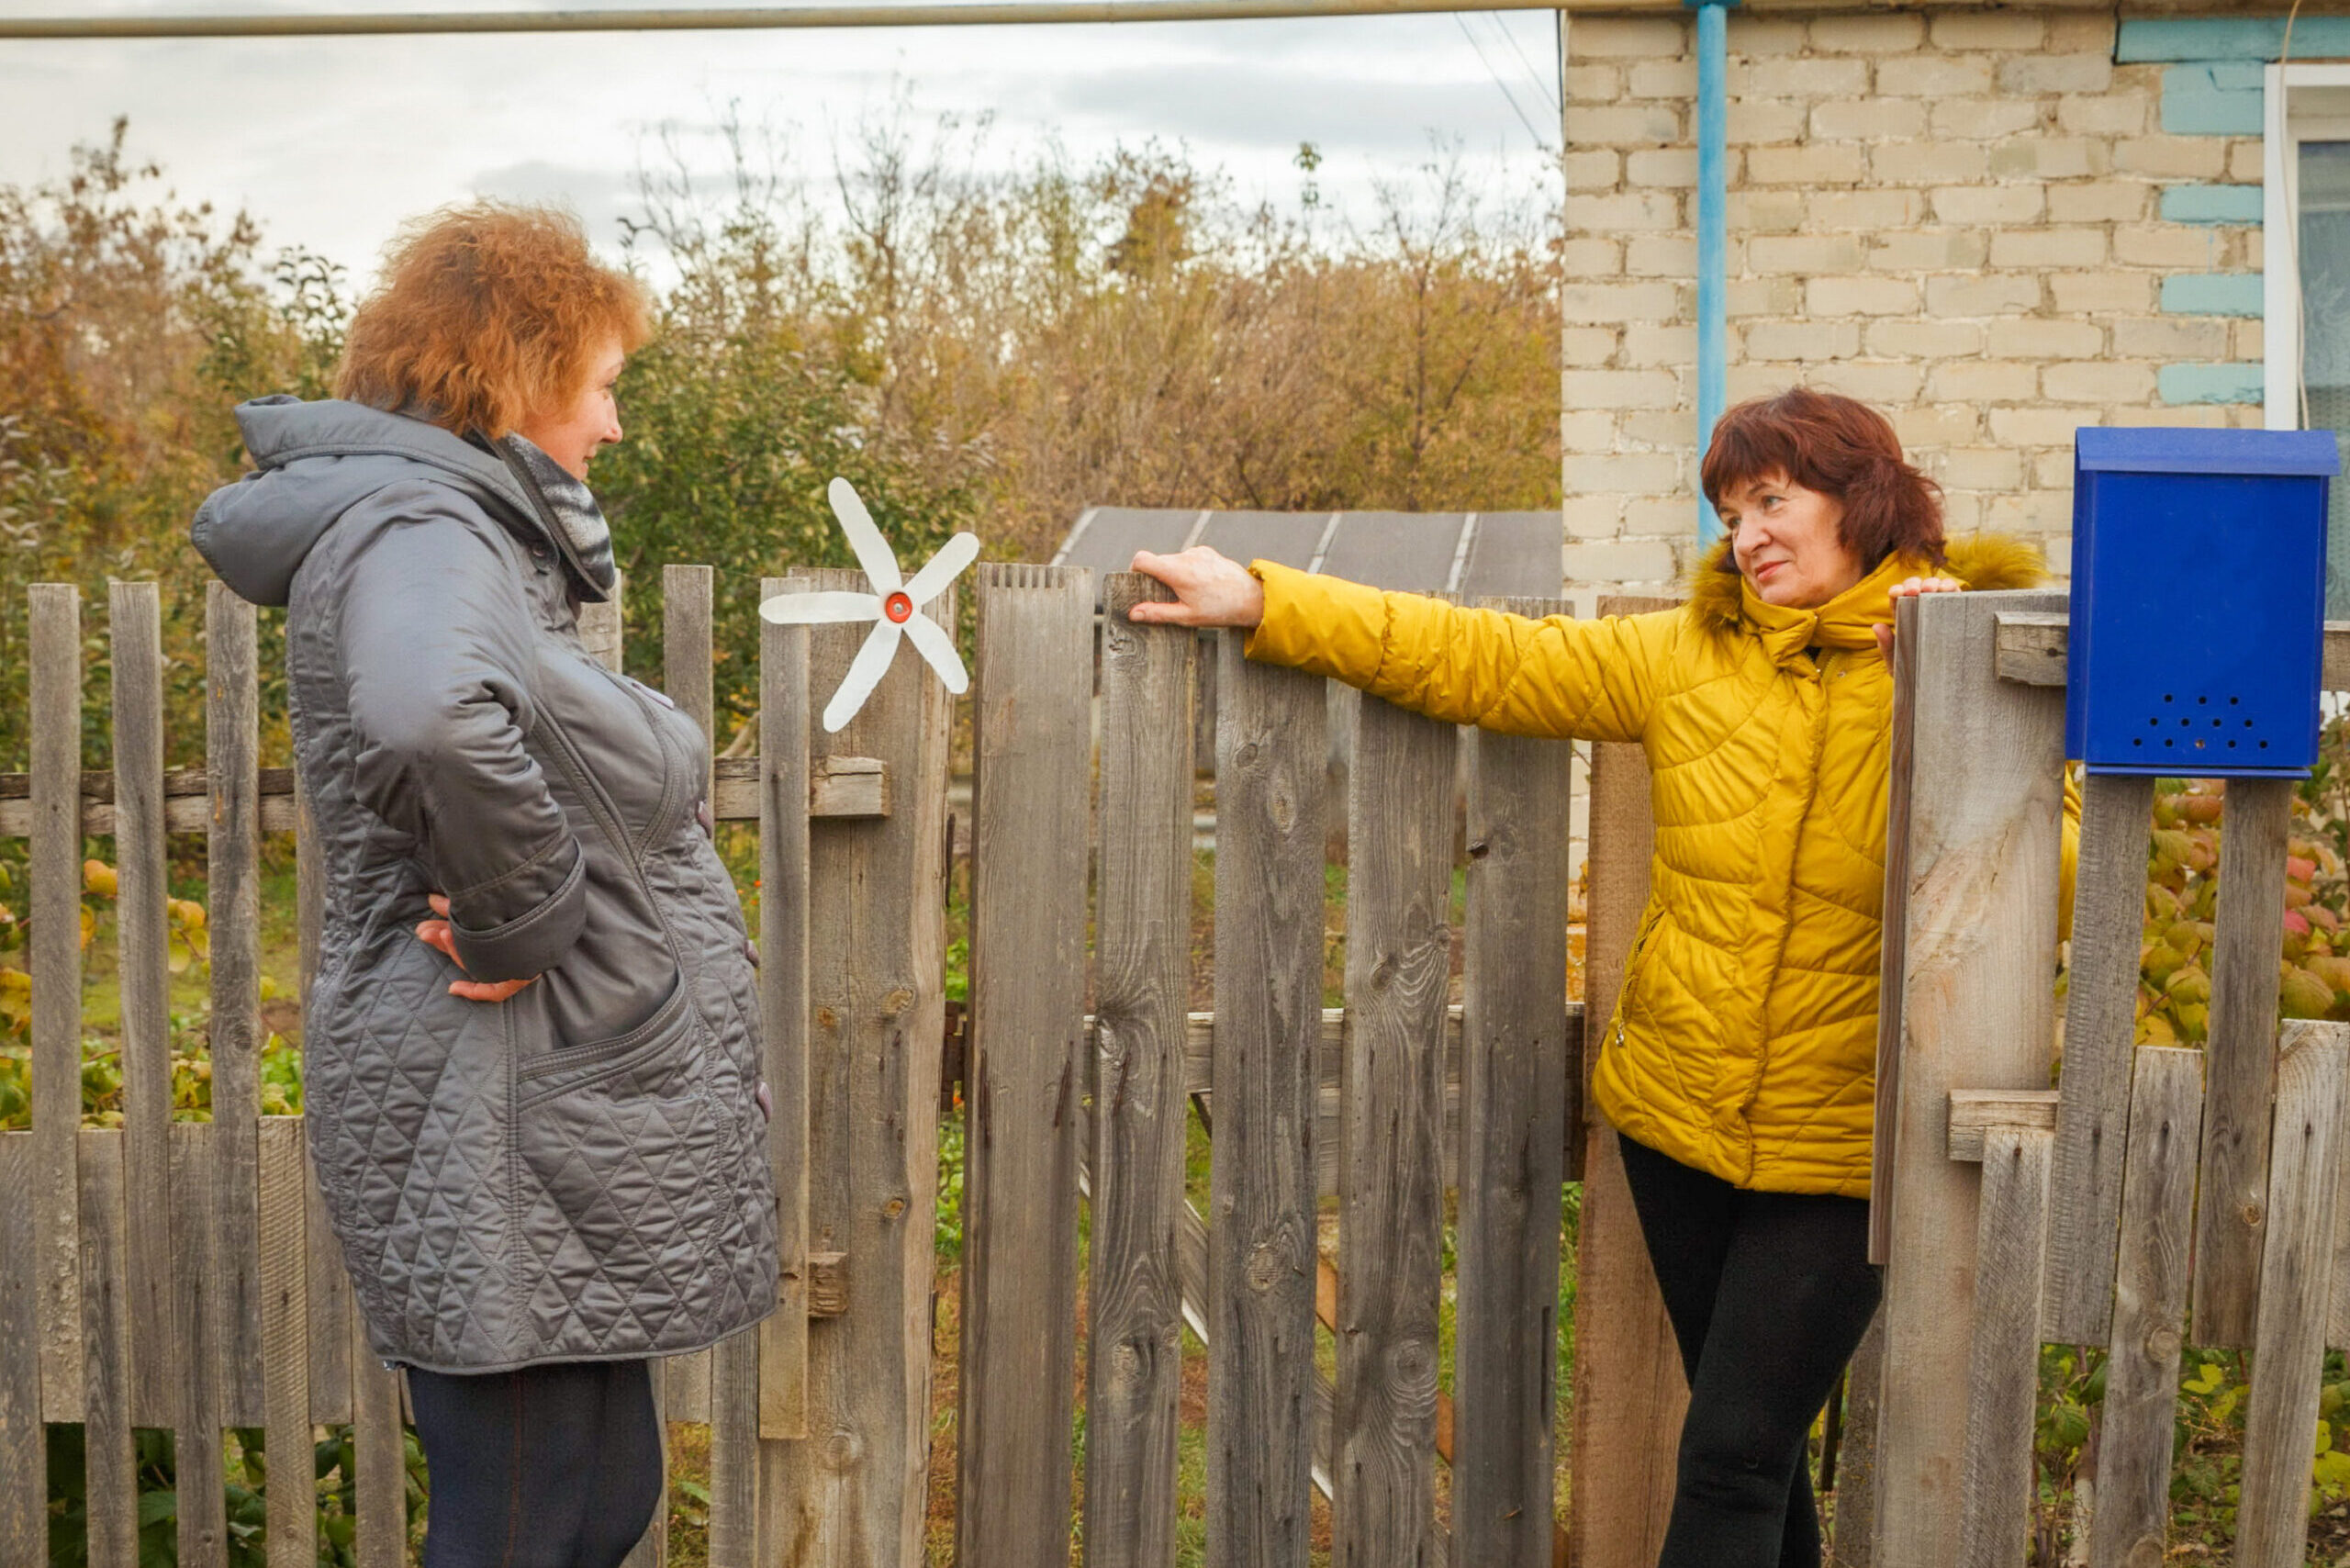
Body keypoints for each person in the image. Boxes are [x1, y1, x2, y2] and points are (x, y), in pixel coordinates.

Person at [1131, 386, 2072, 1568]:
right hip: (1676, 1124)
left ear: (1865, 496)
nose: (1750, 535)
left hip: (1846, 1147)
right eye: (1732, 512)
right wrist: (1271, 600)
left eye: (1774, 499)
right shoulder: (1687, 655)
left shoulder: (1977, 642)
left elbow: (2053, 882)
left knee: (1732, 1451)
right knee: (1753, 1462)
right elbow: (1486, 657)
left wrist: (1948, 693)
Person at [195, 204, 777, 1568]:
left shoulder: (459, 529)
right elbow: (426, 716)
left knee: (599, 1499)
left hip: (536, 1100)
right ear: (517, 375)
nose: (614, 428)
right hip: (491, 1092)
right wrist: (526, 913)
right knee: (522, 1522)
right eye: (605, 387)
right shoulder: (424, 524)